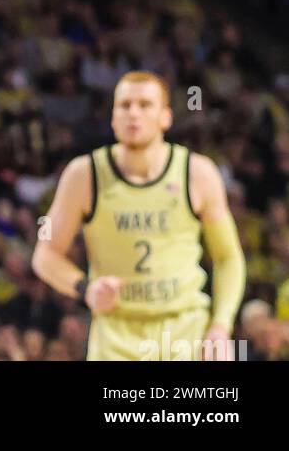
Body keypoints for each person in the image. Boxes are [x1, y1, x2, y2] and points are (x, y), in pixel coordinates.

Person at [33, 71, 247, 360]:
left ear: (166, 117)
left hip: (185, 329)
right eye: (124, 105)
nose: (133, 113)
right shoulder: (83, 175)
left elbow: (228, 257)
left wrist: (221, 326)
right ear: (112, 117)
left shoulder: (198, 172)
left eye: (145, 105)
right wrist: (85, 288)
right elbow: (44, 254)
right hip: (116, 335)